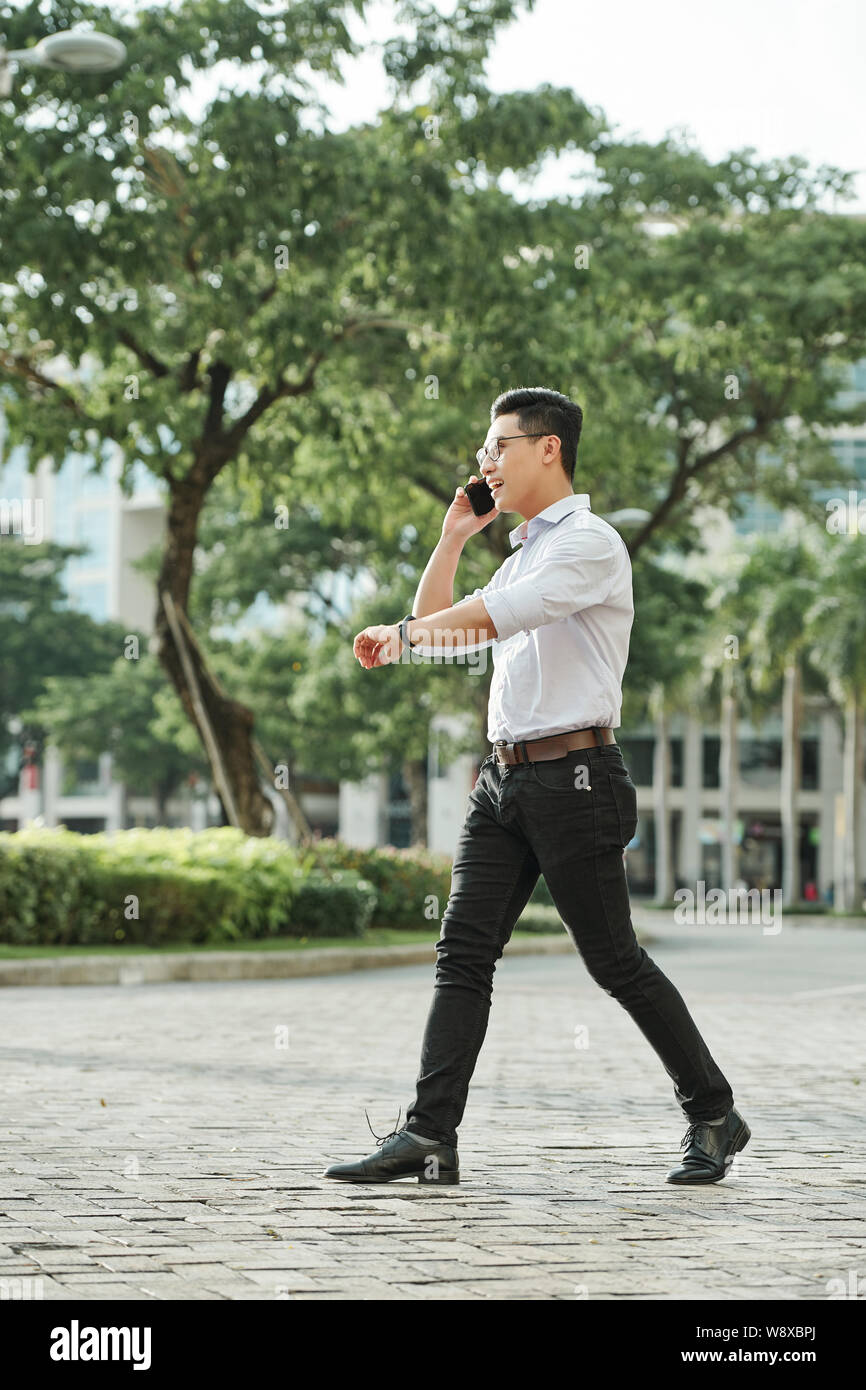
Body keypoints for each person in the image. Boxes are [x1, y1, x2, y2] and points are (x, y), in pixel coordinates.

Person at [323, 386, 749, 1187]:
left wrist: (402, 634)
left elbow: (487, 619)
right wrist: (453, 538)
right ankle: (430, 1134)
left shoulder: (589, 544)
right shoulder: (519, 550)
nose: (485, 461)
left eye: (499, 446)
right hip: (504, 781)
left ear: (546, 448)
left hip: (576, 779)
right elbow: (443, 634)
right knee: (463, 953)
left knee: (614, 960)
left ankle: (715, 1112)